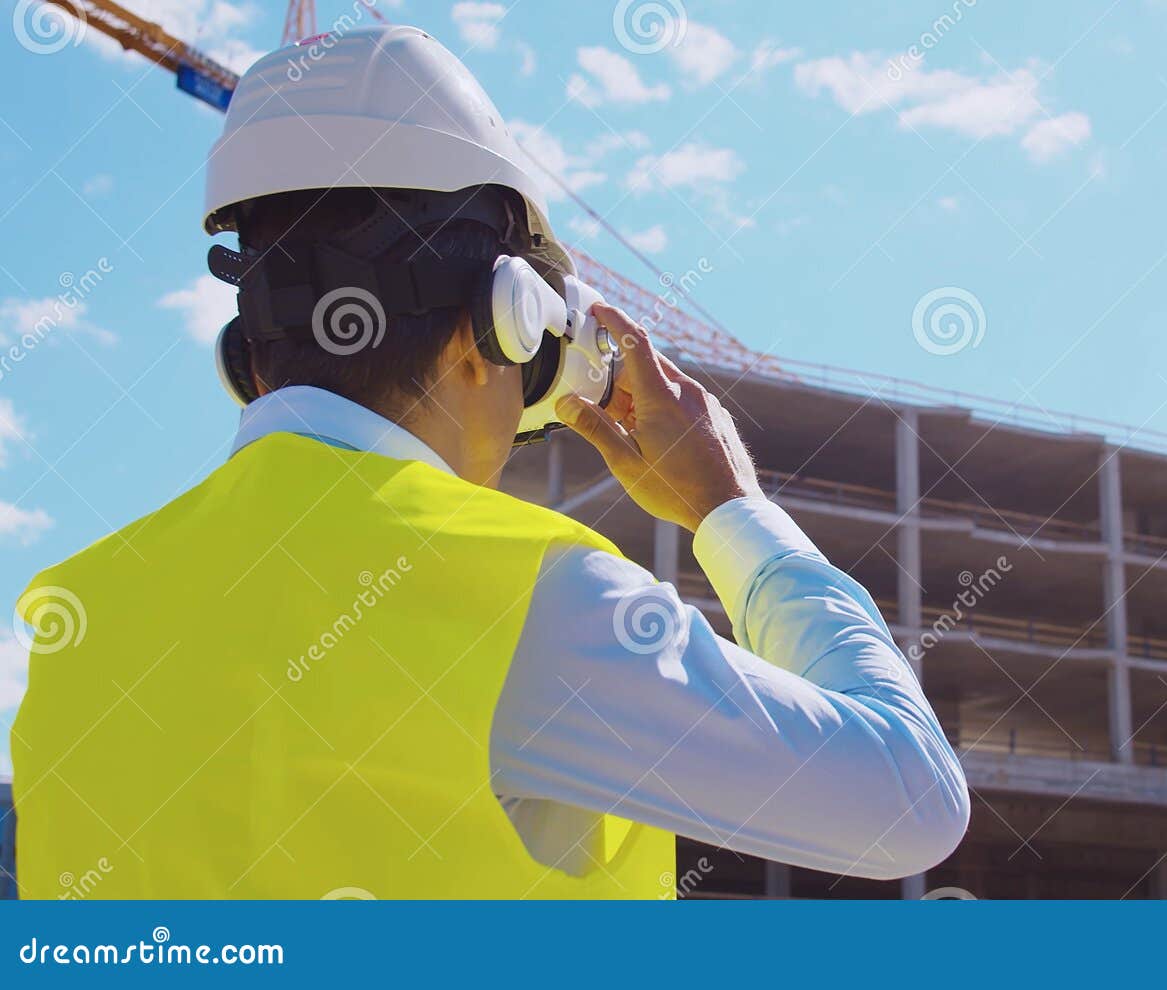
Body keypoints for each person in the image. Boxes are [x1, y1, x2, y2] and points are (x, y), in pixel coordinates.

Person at [8, 25, 967, 899]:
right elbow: (910, 798)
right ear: (494, 331)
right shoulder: (524, 598)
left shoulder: (78, 618)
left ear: (245, 355)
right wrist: (729, 505)